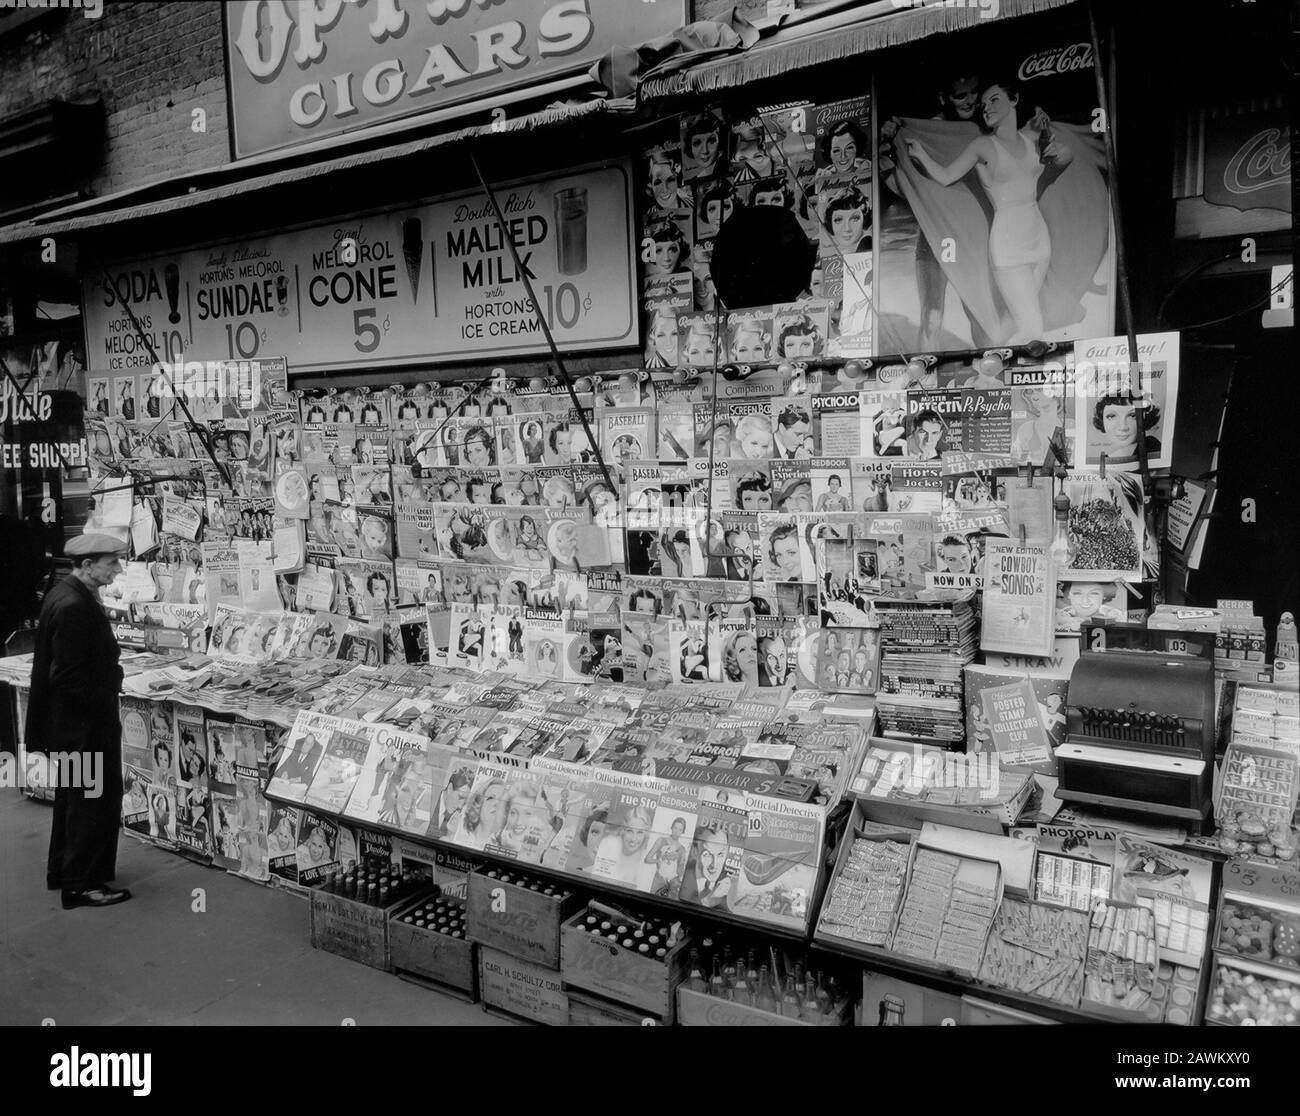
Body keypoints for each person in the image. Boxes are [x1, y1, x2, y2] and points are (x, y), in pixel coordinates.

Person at [902, 78, 1075, 344]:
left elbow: (1063, 156)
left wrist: (1059, 149)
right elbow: (946, 176)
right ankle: (1000, 360)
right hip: (1008, 244)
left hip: (1040, 239)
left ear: (1014, 100)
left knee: (1017, 318)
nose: (986, 108)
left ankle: (986, 359)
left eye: (994, 100)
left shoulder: (1031, 139)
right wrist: (920, 154)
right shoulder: (981, 145)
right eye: (983, 105)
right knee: (1031, 321)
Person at [27, 534, 132, 909]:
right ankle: (82, 885)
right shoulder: (74, 605)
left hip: (70, 727)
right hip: (84, 728)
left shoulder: (65, 593)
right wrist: (109, 688)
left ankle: (64, 872)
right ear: (87, 566)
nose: (118, 569)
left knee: (74, 800)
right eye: (111, 562)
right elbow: (68, 678)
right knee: (92, 802)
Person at [1090, 394, 1161, 463]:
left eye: (1132, 415)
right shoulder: (1106, 459)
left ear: (1145, 417)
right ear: (1102, 418)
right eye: (1111, 416)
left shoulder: (1152, 447)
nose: (1123, 427)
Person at [680, 825, 732, 907]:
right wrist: (707, 901)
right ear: (694, 852)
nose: (714, 864)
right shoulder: (680, 876)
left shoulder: (730, 885)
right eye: (707, 854)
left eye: (720, 854)